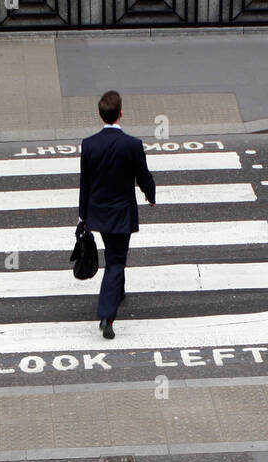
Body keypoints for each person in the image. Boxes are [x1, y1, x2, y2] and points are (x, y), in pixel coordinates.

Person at [78, 89, 156, 339]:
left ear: (100, 115)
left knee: (114, 256)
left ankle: (118, 292)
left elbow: (85, 183)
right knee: (115, 262)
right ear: (121, 113)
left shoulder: (89, 144)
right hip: (121, 214)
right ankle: (107, 315)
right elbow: (143, 175)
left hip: (98, 213)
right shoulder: (132, 145)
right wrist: (150, 195)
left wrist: (83, 216)